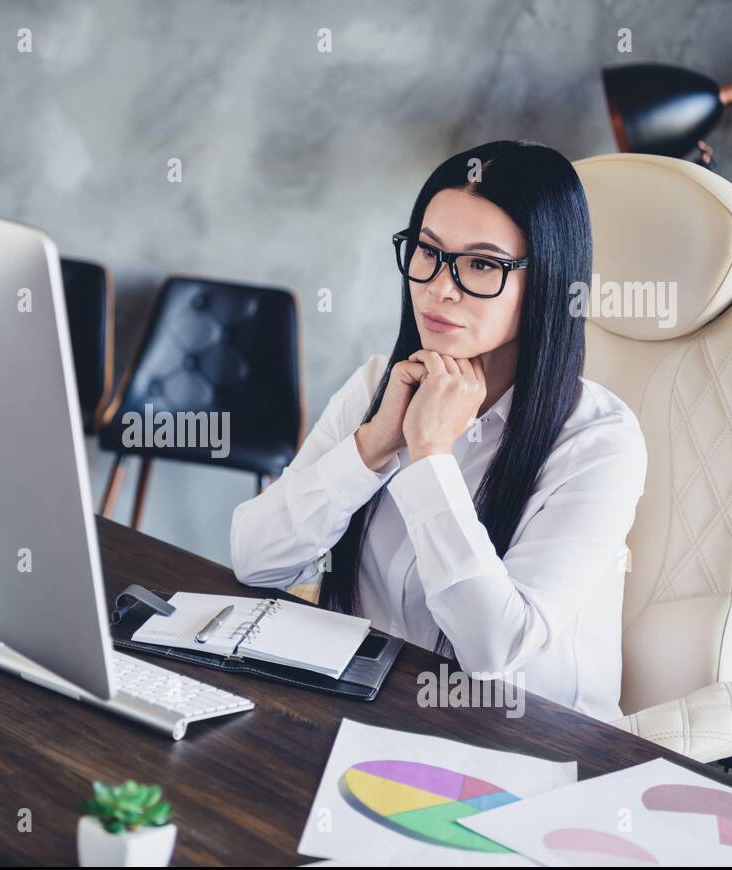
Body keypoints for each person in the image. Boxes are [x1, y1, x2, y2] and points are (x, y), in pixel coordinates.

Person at [229, 140, 647, 722]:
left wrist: (430, 456)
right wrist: (374, 445)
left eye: (482, 264)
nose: (439, 287)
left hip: (531, 738)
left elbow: (494, 648)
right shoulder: (380, 384)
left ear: (547, 282)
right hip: (372, 707)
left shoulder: (599, 442)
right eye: (428, 251)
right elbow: (255, 560)